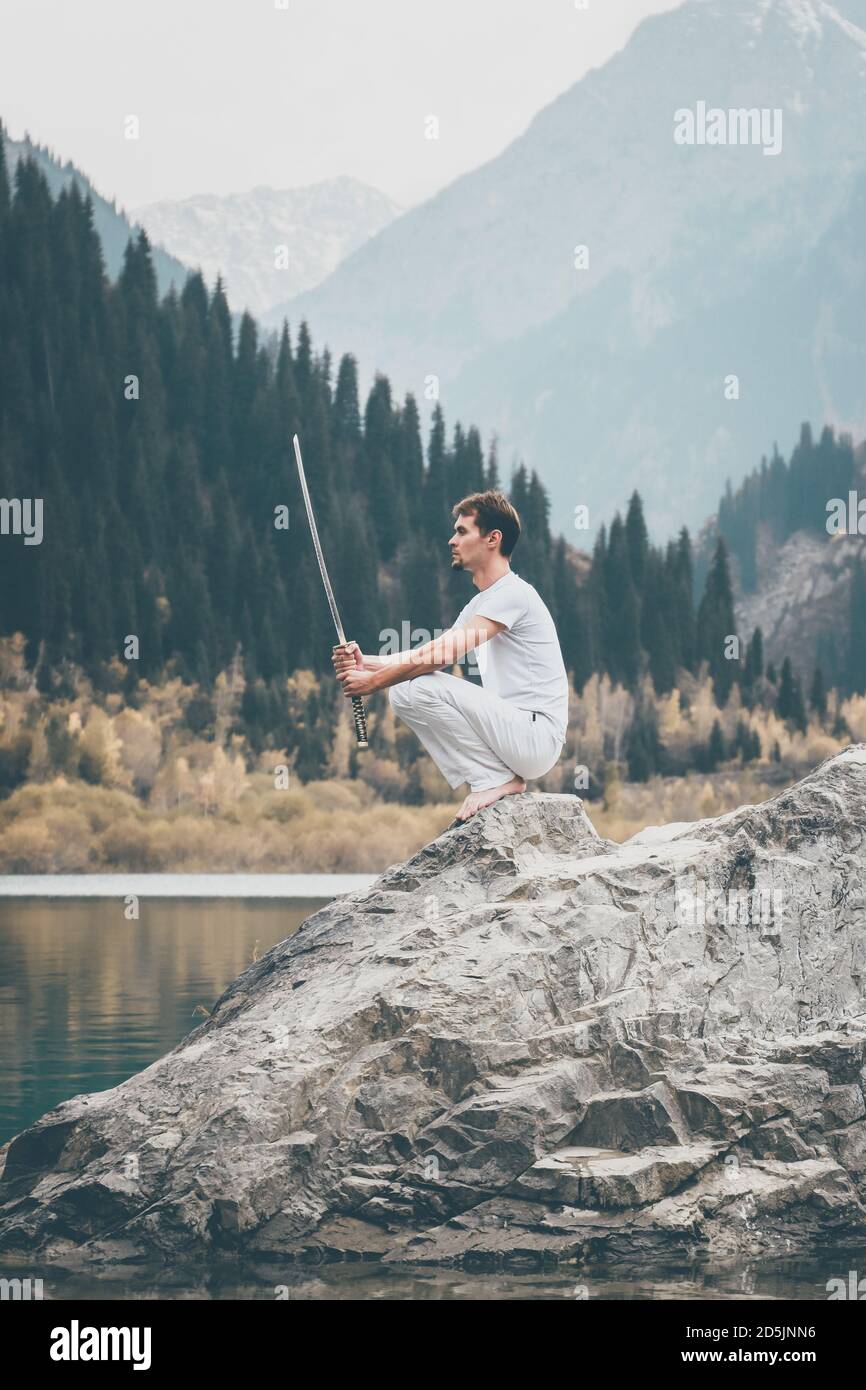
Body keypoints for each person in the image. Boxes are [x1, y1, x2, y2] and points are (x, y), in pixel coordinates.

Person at [333, 490, 568, 821]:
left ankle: (497, 780)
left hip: (535, 736)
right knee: (405, 686)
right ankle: (497, 778)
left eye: (461, 531)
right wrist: (367, 661)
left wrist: (372, 682)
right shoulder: (482, 603)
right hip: (515, 736)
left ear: (492, 539)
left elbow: (442, 655)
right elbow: (426, 651)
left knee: (406, 687)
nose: (451, 541)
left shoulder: (514, 594)